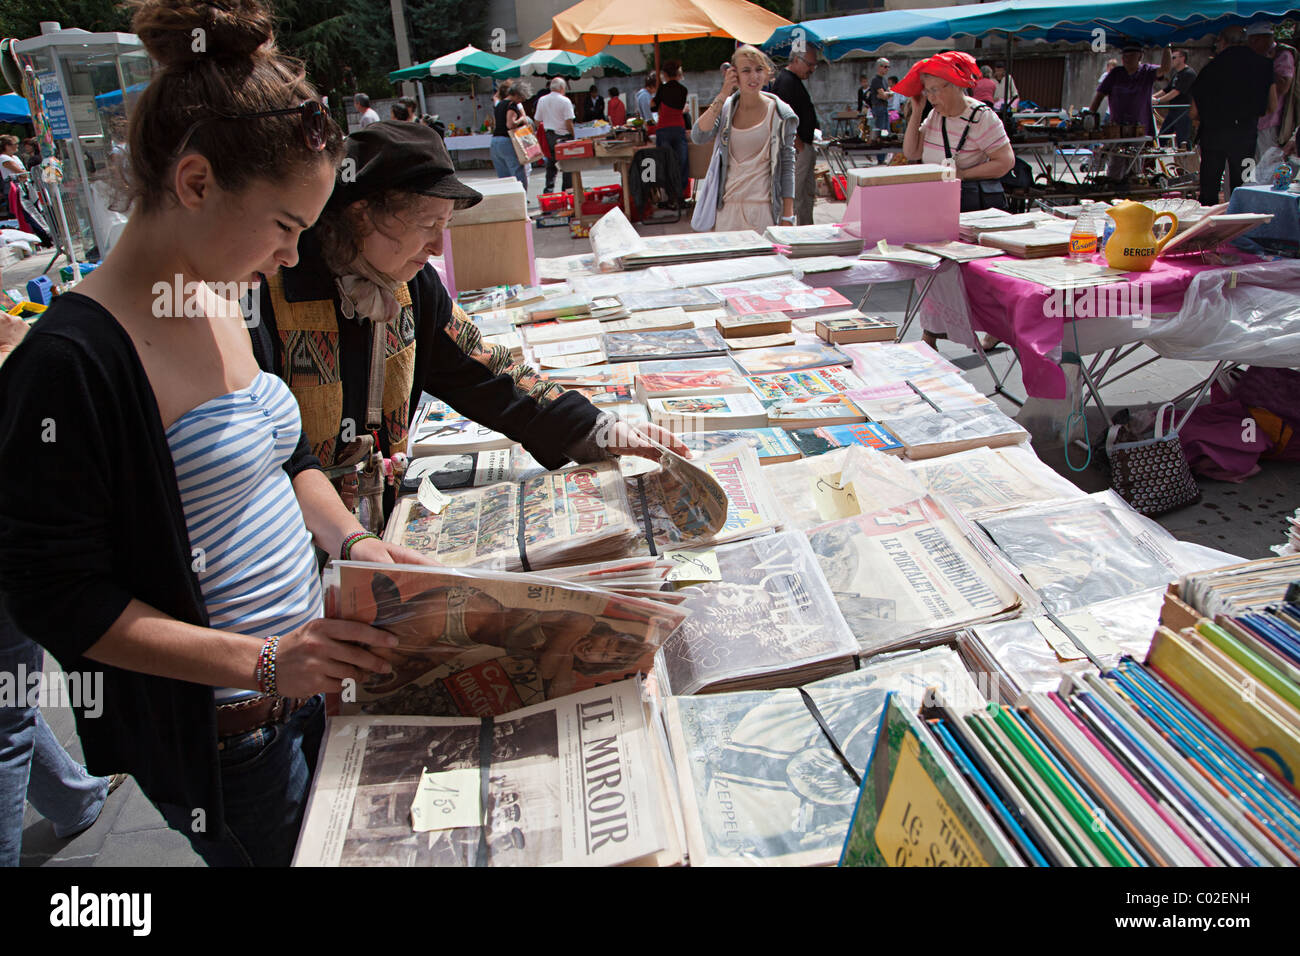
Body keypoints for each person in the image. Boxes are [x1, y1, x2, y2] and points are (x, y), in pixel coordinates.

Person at [0, 0, 417, 868]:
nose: (291, 258)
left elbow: (286, 453)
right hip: (229, 737)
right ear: (195, 184)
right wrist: (266, 662)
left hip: (301, 692)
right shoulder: (71, 361)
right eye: (283, 227)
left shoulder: (219, 293)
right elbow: (62, 601)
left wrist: (353, 540)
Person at [249, 120, 687, 534]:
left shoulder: (412, 284)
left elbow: (486, 371)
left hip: (378, 525)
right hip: (294, 540)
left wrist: (595, 428)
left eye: (446, 225)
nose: (438, 247)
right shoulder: (269, 288)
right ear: (362, 215)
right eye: (427, 225)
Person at [691, 46, 796, 233]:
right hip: (726, 210)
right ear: (734, 74)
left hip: (764, 210)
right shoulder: (727, 109)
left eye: (758, 70)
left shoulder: (781, 114)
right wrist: (723, 94)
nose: (753, 77)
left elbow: (787, 166)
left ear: (766, 74)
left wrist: (788, 216)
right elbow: (699, 136)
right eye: (746, 70)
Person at [899, 50, 1014, 211]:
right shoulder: (936, 114)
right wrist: (917, 111)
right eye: (927, 90)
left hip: (967, 204)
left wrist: (963, 174)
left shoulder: (982, 117)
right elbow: (912, 153)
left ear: (955, 85)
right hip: (936, 201)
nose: (930, 97)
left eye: (935, 90)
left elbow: (1005, 162)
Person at [1189, 26, 1275, 206]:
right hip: (1246, 135)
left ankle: (1208, 228)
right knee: (1244, 184)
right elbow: (1271, 106)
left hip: (1212, 135)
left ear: (1223, 42)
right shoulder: (1265, 66)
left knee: (1209, 188)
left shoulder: (1209, 68)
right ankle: (1243, 222)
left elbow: (1193, 113)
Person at [770, 46, 820, 225]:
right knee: (794, 196)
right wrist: (798, 146)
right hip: (796, 149)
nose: (812, 69)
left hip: (802, 146)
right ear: (797, 60)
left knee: (806, 195)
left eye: (814, 65)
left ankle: (807, 229)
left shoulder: (792, 81)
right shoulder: (785, 82)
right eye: (809, 64)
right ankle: (789, 231)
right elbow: (781, 119)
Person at [1090, 44, 1170, 137]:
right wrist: (1090, 116)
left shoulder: (1147, 71)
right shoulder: (1115, 73)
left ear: (1140, 56)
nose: (1127, 59)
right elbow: (1099, 96)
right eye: (1125, 56)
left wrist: (1166, 46)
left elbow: (1165, 68)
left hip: (1141, 129)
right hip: (1117, 130)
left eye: (1131, 56)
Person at [1246, 21, 1296, 163]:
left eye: (1254, 41)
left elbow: (1283, 87)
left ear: (1265, 39)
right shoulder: (1254, 57)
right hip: (1252, 123)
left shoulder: (1283, 56)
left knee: (1268, 167)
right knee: (1250, 169)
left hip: (1270, 125)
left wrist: (1264, 63)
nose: (1251, 45)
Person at [652, 61, 690, 199]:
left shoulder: (662, 89)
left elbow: (653, 107)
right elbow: (680, 107)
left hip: (663, 129)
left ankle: (669, 195)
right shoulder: (683, 90)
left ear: (665, 74)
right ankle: (680, 194)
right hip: (679, 127)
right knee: (682, 162)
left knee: (665, 163)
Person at [535, 77, 575, 194]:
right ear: (562, 88)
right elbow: (568, 122)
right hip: (563, 136)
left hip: (549, 136)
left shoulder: (542, 100)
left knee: (551, 167)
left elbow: (537, 121)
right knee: (567, 167)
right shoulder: (565, 101)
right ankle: (566, 193)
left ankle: (549, 192)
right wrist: (573, 135)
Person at [490, 79, 530, 189]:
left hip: (495, 141)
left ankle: (508, 198)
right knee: (517, 173)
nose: (522, 100)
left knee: (504, 177)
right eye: (522, 97)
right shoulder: (512, 105)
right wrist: (522, 119)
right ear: (517, 95)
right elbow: (510, 124)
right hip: (507, 141)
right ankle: (521, 198)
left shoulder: (499, 104)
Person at [1153, 49, 1196, 146]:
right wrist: (1151, 97)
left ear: (1182, 58)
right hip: (1173, 110)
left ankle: (1185, 160)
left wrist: (1158, 101)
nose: (1171, 60)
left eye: (1174, 57)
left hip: (1183, 111)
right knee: (1162, 136)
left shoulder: (1188, 73)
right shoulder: (1177, 74)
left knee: (1183, 139)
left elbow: (1176, 92)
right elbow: (1166, 90)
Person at [867, 57, 892, 132]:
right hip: (878, 108)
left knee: (886, 131)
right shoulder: (876, 80)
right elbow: (884, 96)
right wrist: (886, 94)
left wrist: (886, 94)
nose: (887, 69)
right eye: (885, 67)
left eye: (888, 67)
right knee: (880, 131)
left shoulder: (884, 80)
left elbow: (888, 94)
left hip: (884, 107)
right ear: (879, 67)